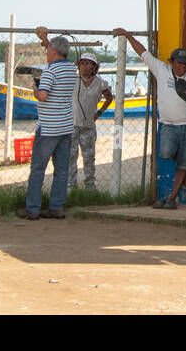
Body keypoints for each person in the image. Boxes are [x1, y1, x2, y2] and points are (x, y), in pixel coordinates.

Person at [113, 28, 186, 209]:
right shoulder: (161, 70)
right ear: (171, 62)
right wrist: (127, 35)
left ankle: (171, 198)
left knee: (184, 165)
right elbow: (142, 52)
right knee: (166, 153)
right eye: (179, 63)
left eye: (185, 64)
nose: (182, 66)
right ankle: (171, 188)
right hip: (168, 126)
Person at [16, 28, 78, 220]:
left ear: (53, 52)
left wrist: (35, 89)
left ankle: (32, 208)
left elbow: (43, 96)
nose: (46, 53)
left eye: (48, 50)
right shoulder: (71, 69)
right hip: (66, 125)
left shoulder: (50, 71)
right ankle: (57, 207)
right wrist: (45, 39)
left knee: (38, 168)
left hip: (49, 126)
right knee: (61, 169)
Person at [69, 52, 113, 192]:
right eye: (82, 63)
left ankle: (89, 185)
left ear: (94, 66)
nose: (84, 67)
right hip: (72, 126)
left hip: (88, 126)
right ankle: (71, 186)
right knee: (70, 157)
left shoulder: (100, 82)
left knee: (89, 158)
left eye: (88, 63)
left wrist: (98, 113)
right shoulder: (73, 79)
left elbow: (109, 98)